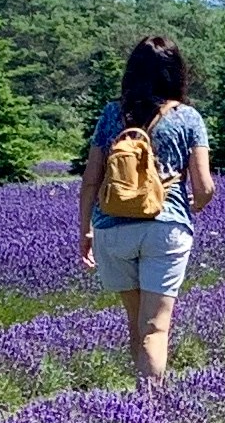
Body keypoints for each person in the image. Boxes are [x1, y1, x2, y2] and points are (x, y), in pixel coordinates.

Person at [80, 34, 216, 388]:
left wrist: (86, 231)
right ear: (176, 73)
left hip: (112, 227)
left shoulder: (112, 114)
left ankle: (139, 408)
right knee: (155, 327)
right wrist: (196, 202)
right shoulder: (188, 117)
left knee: (135, 323)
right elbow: (203, 187)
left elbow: (90, 180)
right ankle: (151, 412)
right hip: (164, 227)